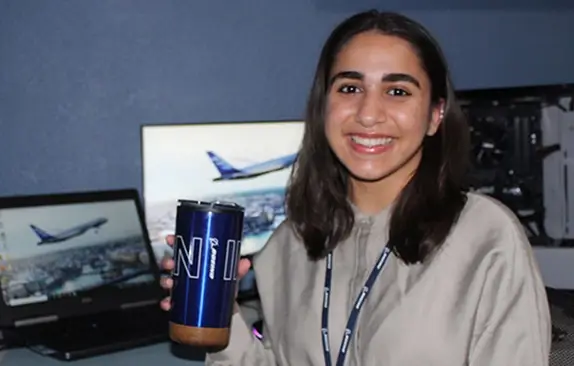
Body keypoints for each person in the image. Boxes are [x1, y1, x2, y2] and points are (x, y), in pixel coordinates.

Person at [160, 9, 552, 366]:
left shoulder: (485, 237)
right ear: (323, 106)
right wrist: (221, 316)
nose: (368, 113)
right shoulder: (289, 244)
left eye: (397, 91)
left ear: (435, 116)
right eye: (349, 88)